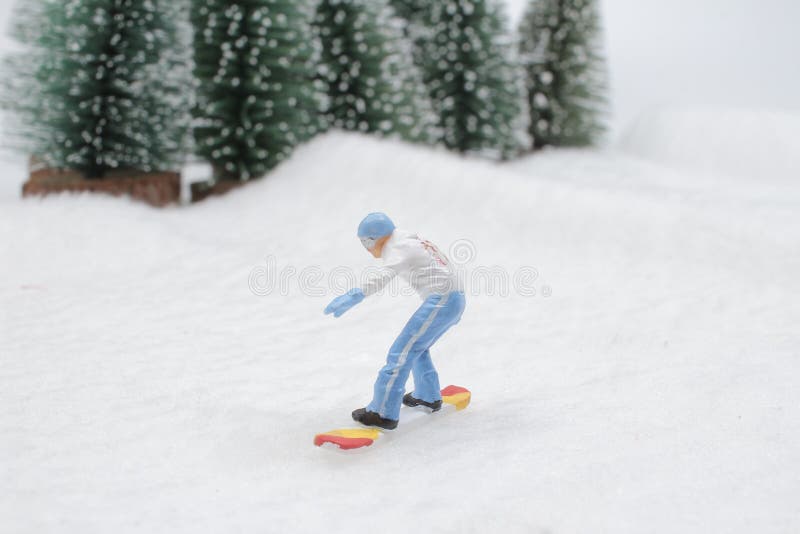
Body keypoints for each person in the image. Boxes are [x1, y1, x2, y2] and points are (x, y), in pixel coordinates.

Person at [324, 212, 466, 429]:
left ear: (374, 239)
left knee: (400, 353)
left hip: (442, 300)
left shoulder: (397, 248)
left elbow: (380, 278)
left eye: (365, 243)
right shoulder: (406, 238)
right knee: (416, 347)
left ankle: (382, 413)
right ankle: (427, 395)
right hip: (454, 299)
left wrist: (354, 295)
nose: (367, 249)